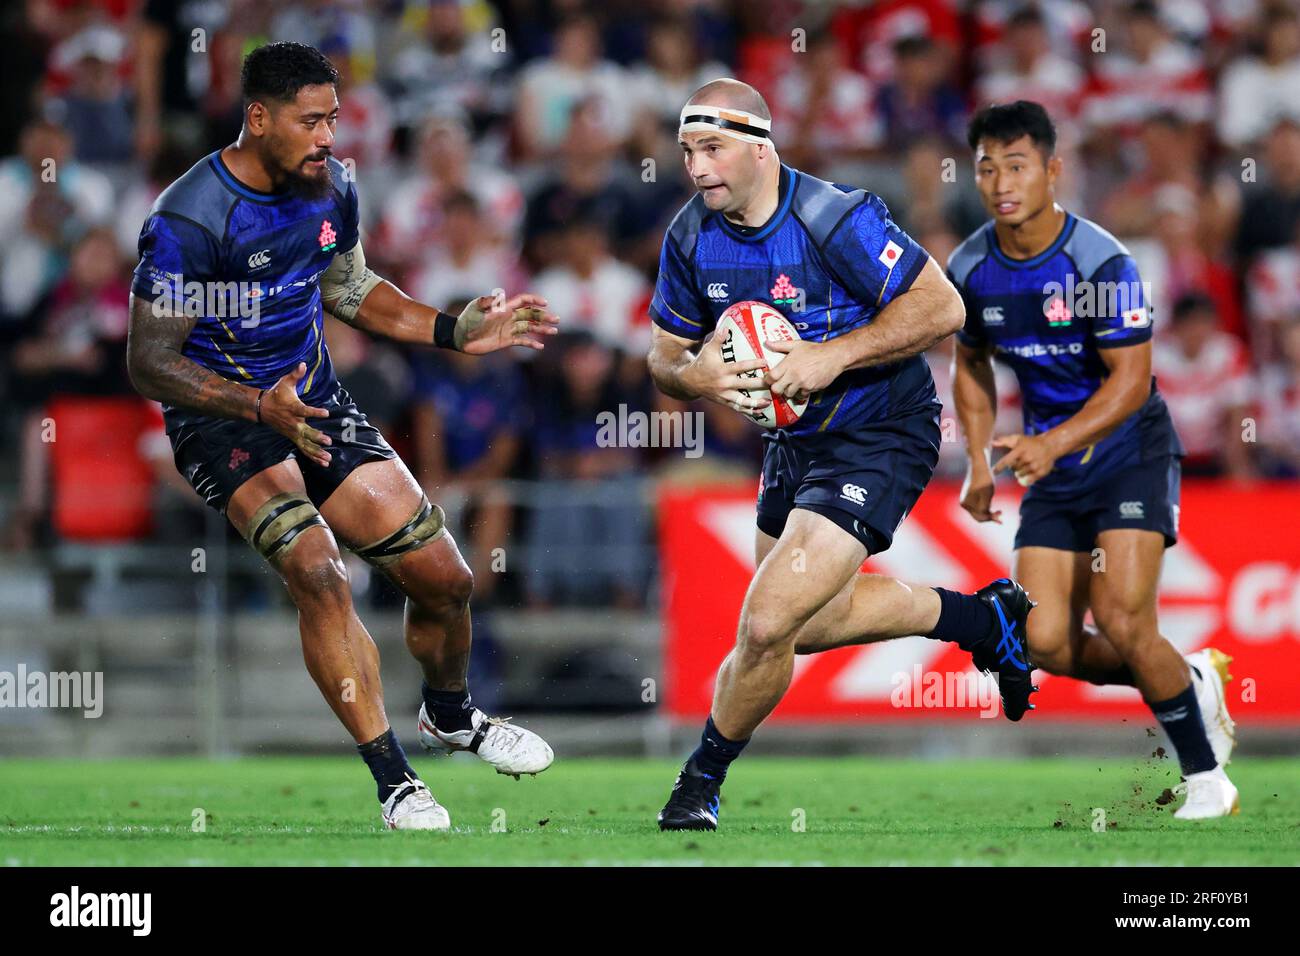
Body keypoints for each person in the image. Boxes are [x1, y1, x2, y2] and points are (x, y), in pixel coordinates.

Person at [126, 42, 557, 831]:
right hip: (226, 421)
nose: (329, 136)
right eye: (310, 120)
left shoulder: (334, 186)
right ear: (258, 119)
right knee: (320, 571)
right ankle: (396, 781)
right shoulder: (187, 219)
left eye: (333, 117)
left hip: (315, 400)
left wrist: (454, 331)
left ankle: (451, 716)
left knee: (446, 579)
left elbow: (352, 288)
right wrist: (258, 407)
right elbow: (149, 360)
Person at [646, 79, 1037, 832]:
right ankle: (982, 621)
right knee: (803, 625)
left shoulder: (834, 217)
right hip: (793, 443)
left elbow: (944, 307)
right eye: (688, 150)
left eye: (713, 147)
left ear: (762, 147)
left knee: (764, 625)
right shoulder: (691, 234)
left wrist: (835, 355)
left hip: (880, 432)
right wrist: (691, 375)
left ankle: (699, 780)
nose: (696, 167)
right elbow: (663, 353)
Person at [949, 101, 1237, 820]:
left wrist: (1048, 443)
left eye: (1016, 165)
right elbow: (973, 365)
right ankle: (1189, 677)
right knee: (1044, 641)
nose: (1000, 182)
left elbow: (1131, 381)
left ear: (1052, 170)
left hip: (1129, 453)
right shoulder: (971, 267)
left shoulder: (1099, 261)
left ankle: (1206, 776)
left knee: (1121, 618)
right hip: (1053, 466)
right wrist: (980, 462)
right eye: (987, 167)